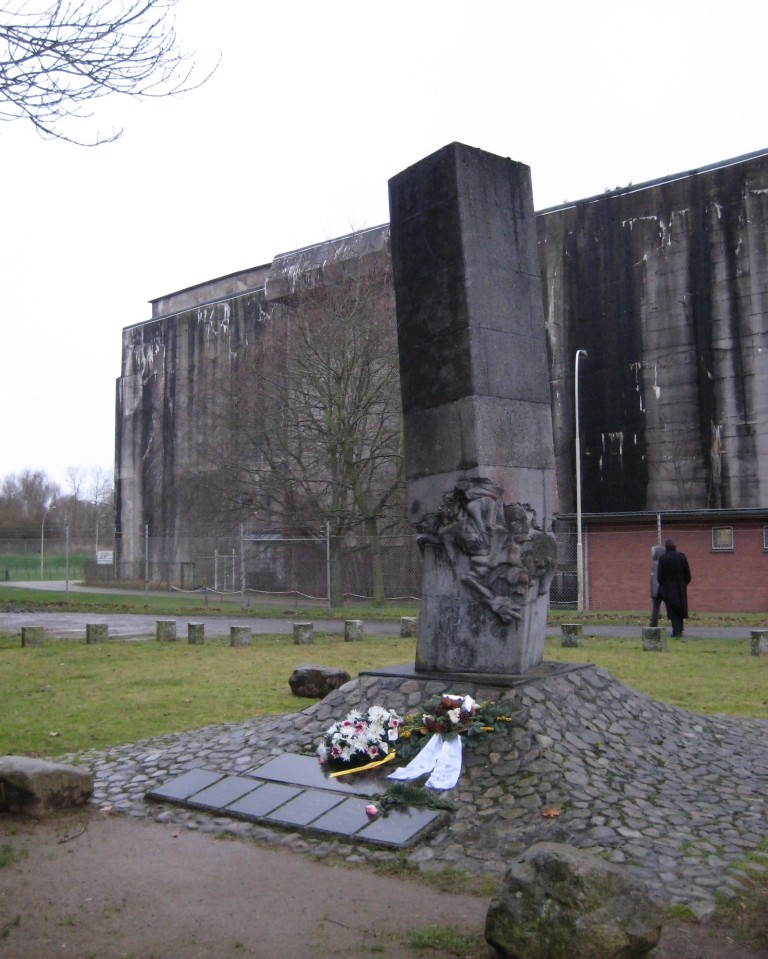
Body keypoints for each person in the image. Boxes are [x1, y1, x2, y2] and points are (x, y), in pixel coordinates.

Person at [656, 539, 691, 637]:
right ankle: (680, 628)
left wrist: (664, 585)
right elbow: (688, 574)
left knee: (672, 608)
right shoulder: (682, 557)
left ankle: (676, 631)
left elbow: (660, 577)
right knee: (680, 607)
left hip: (668, 586)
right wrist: (684, 583)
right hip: (680, 586)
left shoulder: (663, 558)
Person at [649, 544, 665, 627]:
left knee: (655, 608)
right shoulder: (661, 562)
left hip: (658, 590)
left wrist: (654, 592)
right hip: (662, 589)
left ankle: (653, 625)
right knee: (656, 608)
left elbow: (655, 579)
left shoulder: (657, 564)